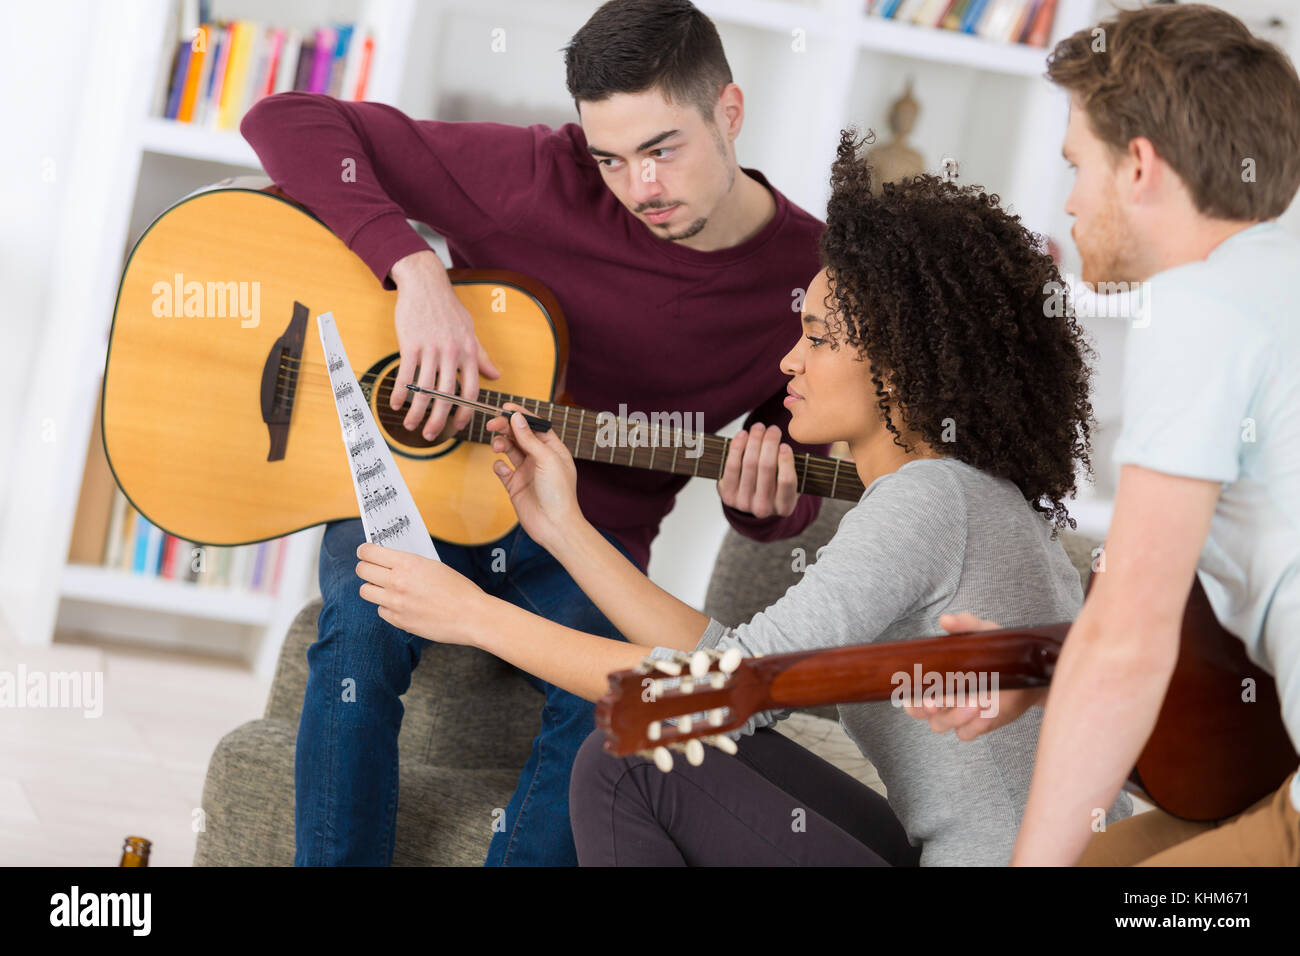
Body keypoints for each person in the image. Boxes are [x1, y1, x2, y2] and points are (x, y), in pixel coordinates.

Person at [355, 128, 1132, 865]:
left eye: (820, 338)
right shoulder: (960, 498)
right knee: (653, 735)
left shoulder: (931, 501)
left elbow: (726, 692)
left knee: (631, 748)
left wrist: (473, 616)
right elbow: (742, 668)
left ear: (902, 363)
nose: (790, 361)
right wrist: (563, 528)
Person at [240, 0, 833, 866]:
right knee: (356, 642)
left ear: (729, 113)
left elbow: (790, 469)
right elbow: (285, 118)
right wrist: (414, 274)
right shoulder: (534, 175)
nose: (641, 189)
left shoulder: (808, 280)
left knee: (611, 709)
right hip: (432, 490)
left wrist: (764, 504)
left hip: (593, 540)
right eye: (613, 159)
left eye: (663, 150)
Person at [909, 3, 1300, 866]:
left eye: (1076, 165)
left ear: (1141, 167)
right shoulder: (1277, 280)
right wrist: (1060, 661)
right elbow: (1196, 621)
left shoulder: (1203, 310)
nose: (1070, 203)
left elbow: (1131, 642)